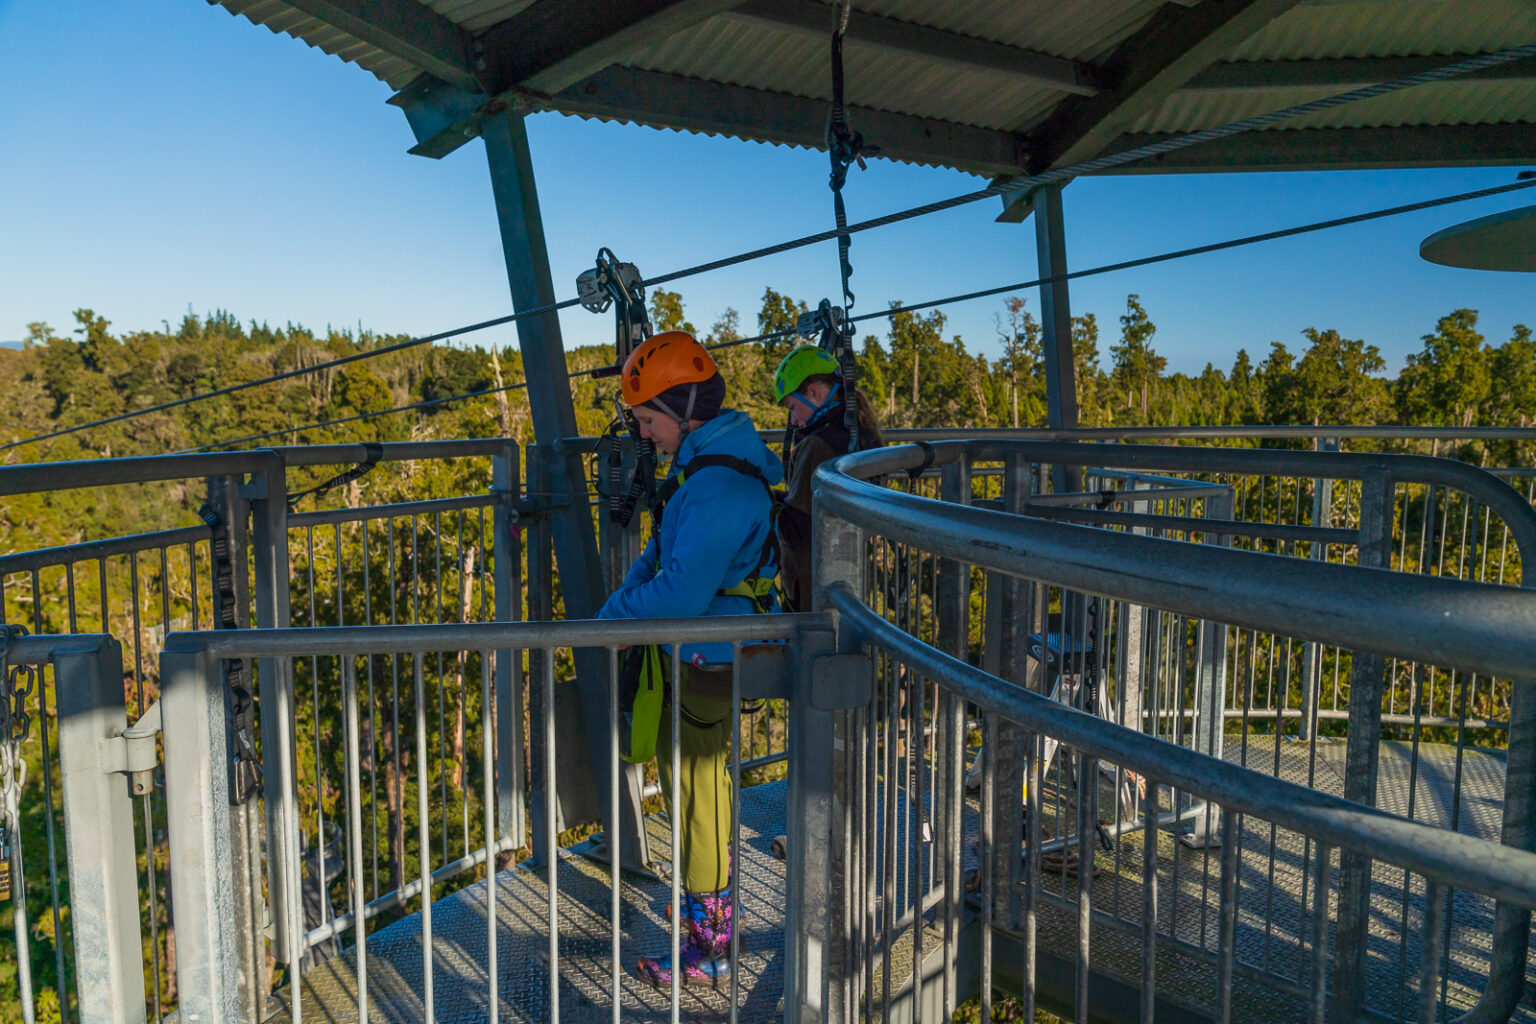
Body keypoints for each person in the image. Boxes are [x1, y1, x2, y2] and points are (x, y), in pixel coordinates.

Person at [596, 330, 782, 989]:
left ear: (681, 411)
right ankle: (711, 937)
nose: (644, 435)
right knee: (701, 790)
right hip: (702, 650)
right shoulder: (707, 470)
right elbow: (662, 557)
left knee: (696, 796)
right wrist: (617, 610)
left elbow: (680, 588)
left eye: (648, 421)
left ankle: (708, 952)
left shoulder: (715, 487)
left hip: (704, 655)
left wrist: (610, 621)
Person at [772, 345, 884, 613]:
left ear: (813, 392)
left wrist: (761, 500)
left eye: (792, 406)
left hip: (811, 588)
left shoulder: (818, 446)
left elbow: (796, 528)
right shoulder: (860, 436)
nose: (793, 420)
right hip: (849, 579)